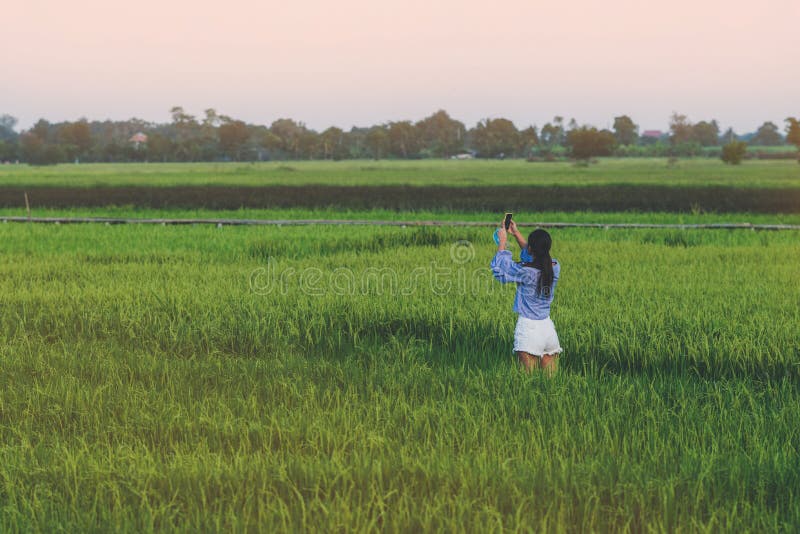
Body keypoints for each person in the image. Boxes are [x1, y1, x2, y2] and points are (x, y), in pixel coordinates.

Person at [491, 219, 562, 374]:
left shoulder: (525, 271)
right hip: (548, 330)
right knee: (551, 386)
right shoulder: (555, 266)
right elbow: (535, 256)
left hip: (529, 330)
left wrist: (502, 241)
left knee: (526, 384)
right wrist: (515, 233)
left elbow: (499, 269)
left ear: (531, 248)